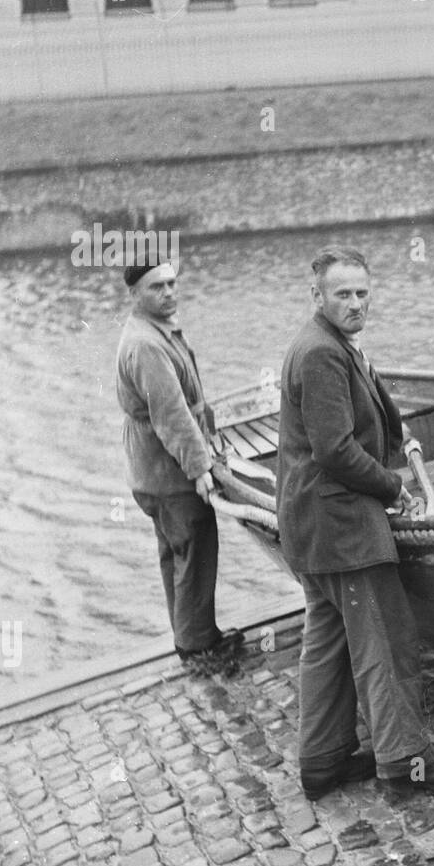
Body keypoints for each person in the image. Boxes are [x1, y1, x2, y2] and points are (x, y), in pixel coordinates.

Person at [276, 246, 434, 800]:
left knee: (327, 643)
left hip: (311, 527)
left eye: (362, 293)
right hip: (343, 530)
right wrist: (393, 488)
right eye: (342, 294)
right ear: (316, 296)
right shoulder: (321, 354)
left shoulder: (327, 344)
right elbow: (335, 450)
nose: (355, 303)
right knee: (385, 642)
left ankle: (322, 761)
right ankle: (405, 761)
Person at [116, 257, 241, 678]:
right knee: (194, 549)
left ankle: (192, 636)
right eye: (157, 287)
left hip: (151, 468)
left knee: (177, 554)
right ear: (135, 294)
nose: (169, 293)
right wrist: (200, 469)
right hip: (168, 471)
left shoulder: (151, 331)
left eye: (171, 283)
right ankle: (198, 648)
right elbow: (172, 415)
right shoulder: (147, 345)